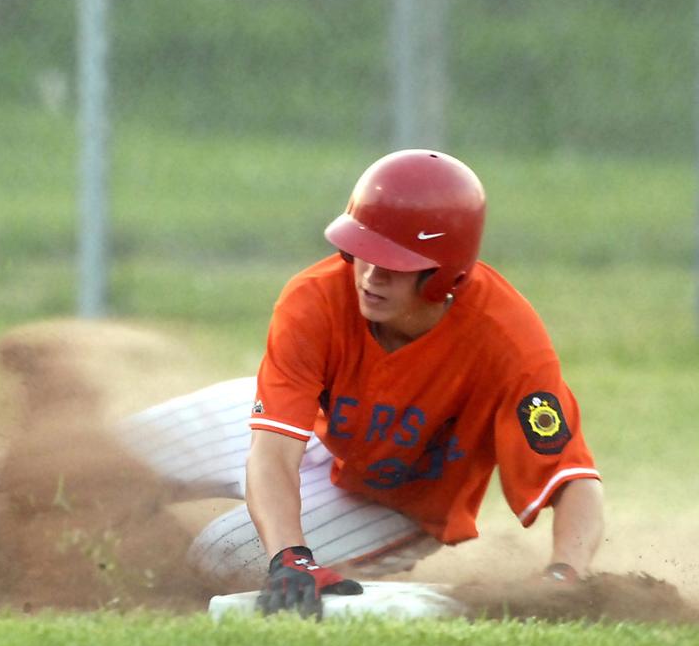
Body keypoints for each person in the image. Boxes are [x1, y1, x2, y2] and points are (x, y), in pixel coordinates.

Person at [117, 149, 603, 615]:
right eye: (361, 251)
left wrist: (564, 578)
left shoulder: (507, 342)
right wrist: (291, 557)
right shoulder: (316, 298)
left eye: (393, 265)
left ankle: (134, 577)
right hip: (312, 432)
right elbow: (272, 451)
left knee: (222, 559)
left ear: (443, 275)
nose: (370, 276)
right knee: (110, 460)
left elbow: (572, 480)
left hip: (396, 502)